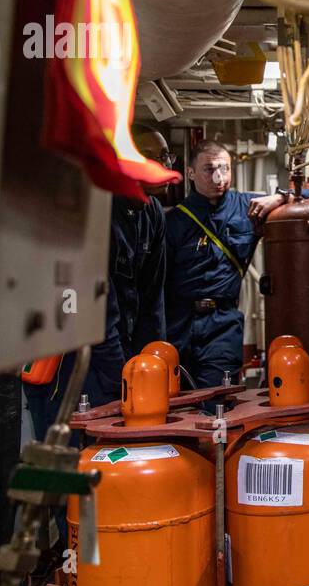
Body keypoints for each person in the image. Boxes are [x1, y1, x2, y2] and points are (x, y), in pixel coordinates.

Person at [24, 125, 172, 436]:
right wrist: (123, 377)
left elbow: (151, 301)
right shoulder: (96, 208)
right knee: (74, 449)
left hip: (116, 351)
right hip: (73, 359)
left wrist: (152, 365)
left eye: (167, 156)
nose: (165, 165)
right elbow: (100, 310)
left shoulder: (153, 213)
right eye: (152, 156)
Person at [165, 140, 286, 390]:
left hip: (222, 323)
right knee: (177, 401)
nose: (219, 177)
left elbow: (308, 196)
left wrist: (279, 197)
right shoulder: (174, 222)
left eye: (225, 168)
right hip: (179, 324)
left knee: (218, 398)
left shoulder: (248, 207)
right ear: (190, 173)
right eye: (209, 169)